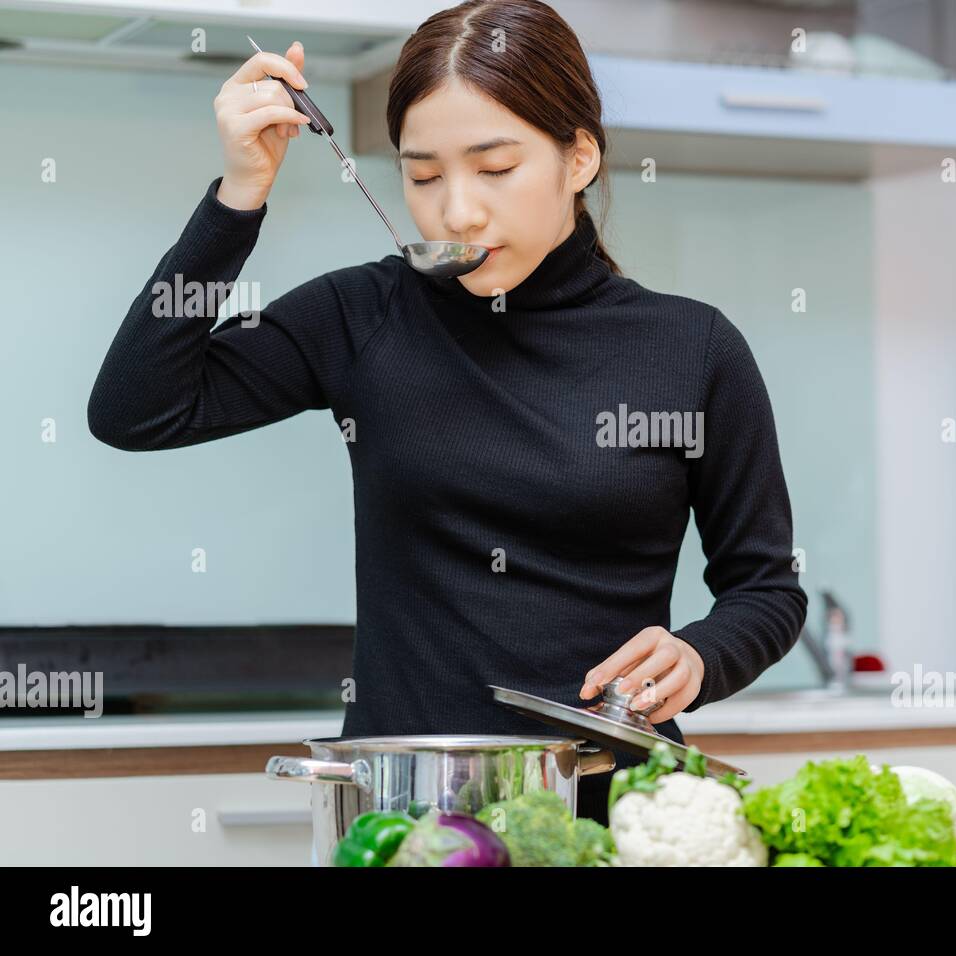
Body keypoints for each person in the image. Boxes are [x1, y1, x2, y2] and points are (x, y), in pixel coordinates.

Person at [87, 0, 807, 828]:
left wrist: (699, 655)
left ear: (579, 157)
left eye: (494, 168)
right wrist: (239, 195)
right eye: (423, 176)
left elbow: (766, 589)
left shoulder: (693, 348)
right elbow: (137, 409)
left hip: (612, 813)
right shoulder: (363, 315)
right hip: (404, 812)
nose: (456, 211)